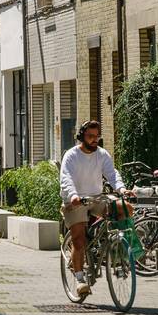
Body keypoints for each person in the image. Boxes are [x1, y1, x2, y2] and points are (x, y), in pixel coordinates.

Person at [59, 120, 128, 297]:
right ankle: (81, 279)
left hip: (96, 198)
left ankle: (117, 251)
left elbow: (112, 174)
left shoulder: (102, 154)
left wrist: (121, 188)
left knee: (124, 208)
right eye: (90, 136)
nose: (94, 140)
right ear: (82, 136)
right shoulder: (72, 155)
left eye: (97, 137)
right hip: (75, 200)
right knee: (79, 239)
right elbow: (66, 178)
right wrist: (73, 196)